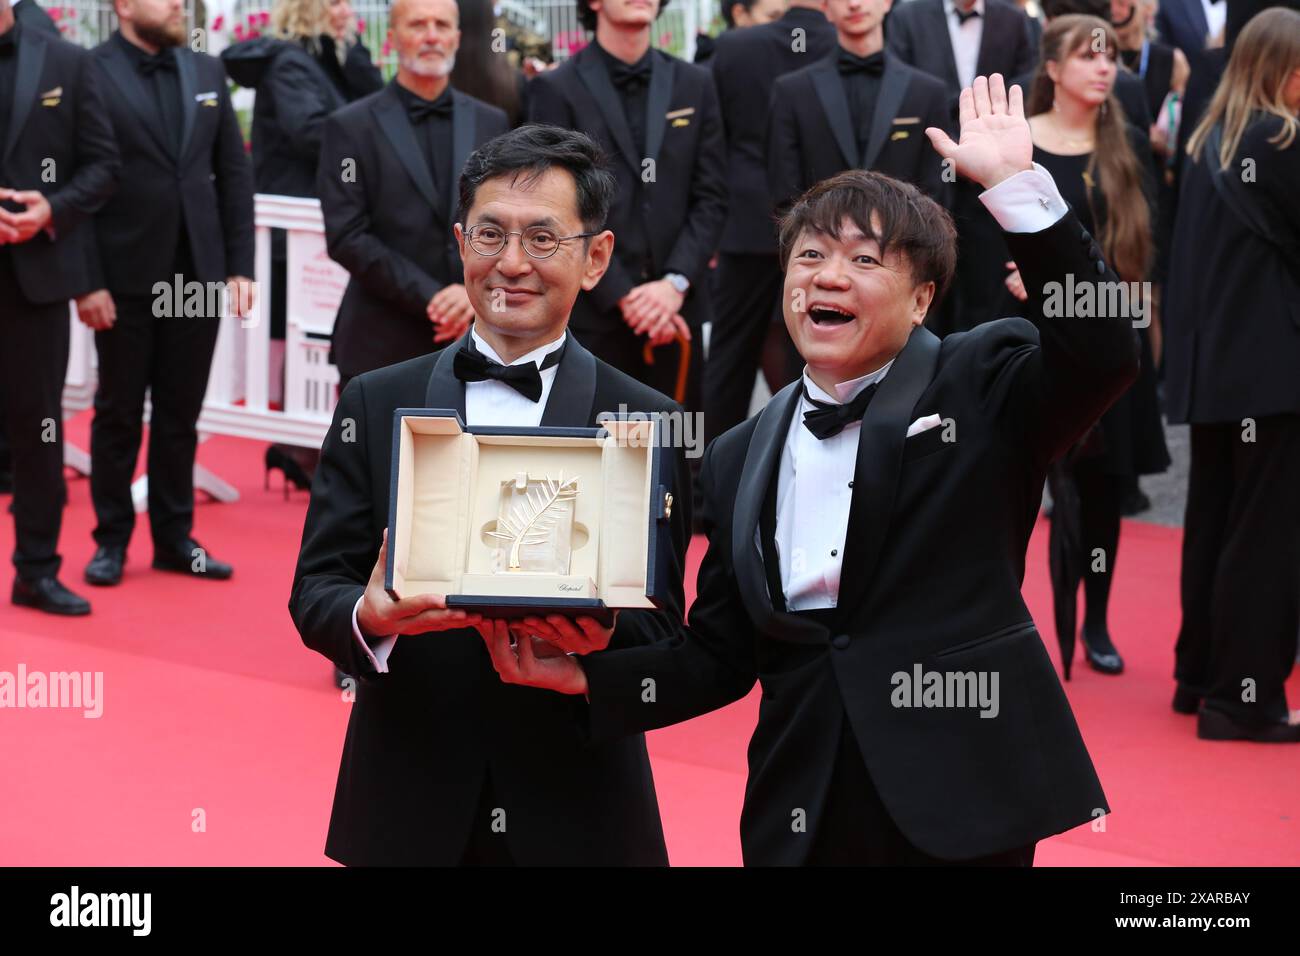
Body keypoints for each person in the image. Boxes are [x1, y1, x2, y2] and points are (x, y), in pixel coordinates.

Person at [480, 74, 1137, 866]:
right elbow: (719, 654)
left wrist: (1015, 191)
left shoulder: (981, 378)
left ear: (922, 298)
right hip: (801, 802)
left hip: (958, 787)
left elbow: (1104, 352)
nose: (827, 276)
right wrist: (588, 681)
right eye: (812, 255)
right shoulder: (735, 453)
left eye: (865, 260)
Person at [289, 125, 692, 865]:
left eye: (544, 239)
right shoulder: (377, 401)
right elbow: (317, 590)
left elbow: (665, 629)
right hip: (409, 796)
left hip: (577, 802)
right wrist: (370, 617)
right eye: (490, 235)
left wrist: (598, 647)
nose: (512, 264)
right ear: (460, 242)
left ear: (595, 257)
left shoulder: (650, 420)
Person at [1002, 15, 1169, 676]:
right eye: (1089, 57)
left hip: (1107, 341)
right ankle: (1009, 624)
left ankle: (1094, 622)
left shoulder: (1124, 145)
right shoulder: (1020, 146)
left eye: (1111, 58)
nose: (1105, 68)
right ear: (1053, 68)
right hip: (1028, 338)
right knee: (1017, 484)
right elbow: (983, 236)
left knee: (1101, 491)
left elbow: (1151, 251)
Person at [78, 0, 255, 588]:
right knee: (119, 412)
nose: (179, 4)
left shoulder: (205, 71)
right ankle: (110, 540)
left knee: (181, 412)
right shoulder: (90, 71)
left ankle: (176, 539)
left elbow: (232, 172)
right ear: (124, 6)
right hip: (124, 275)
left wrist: (240, 265)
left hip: (196, 274)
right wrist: (88, 280)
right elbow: (80, 182)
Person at [1164, 7, 1300, 742]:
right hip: (1274, 372)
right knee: (1266, 537)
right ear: (1286, 72)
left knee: (1212, 523)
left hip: (1216, 368)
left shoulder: (1208, 137)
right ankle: (1242, 699)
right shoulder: (1282, 140)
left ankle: (1200, 678)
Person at [527, 0, 727, 400]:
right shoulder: (556, 88)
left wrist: (673, 285)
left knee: (679, 451)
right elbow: (553, 205)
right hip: (592, 312)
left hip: (677, 312)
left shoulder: (694, 83)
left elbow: (712, 196)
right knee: (596, 450)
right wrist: (621, 293)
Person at [317, 0, 509, 389]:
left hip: (477, 341)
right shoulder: (350, 126)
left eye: (441, 25)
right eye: (417, 24)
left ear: (456, 37)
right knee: (375, 451)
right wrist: (437, 297)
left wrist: (471, 296)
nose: (431, 35)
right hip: (379, 341)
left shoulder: (493, 121)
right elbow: (347, 236)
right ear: (392, 39)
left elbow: (506, 223)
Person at [0, 0, 119, 616]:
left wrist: (52, 210)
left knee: (37, 430)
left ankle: (35, 570)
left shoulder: (66, 63)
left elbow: (103, 166)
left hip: (32, 280)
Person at [704, 0, 836, 445]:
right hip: (828, 224)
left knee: (730, 358)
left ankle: (707, 484)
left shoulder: (734, 47)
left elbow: (713, 135)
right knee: (829, 346)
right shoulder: (846, 44)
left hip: (746, 223)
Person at [885, 0, 1038, 336]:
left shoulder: (1012, 20)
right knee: (924, 284)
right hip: (922, 173)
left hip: (989, 184)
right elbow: (898, 85)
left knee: (985, 292)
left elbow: (1023, 86)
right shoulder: (907, 16)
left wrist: (983, 154)